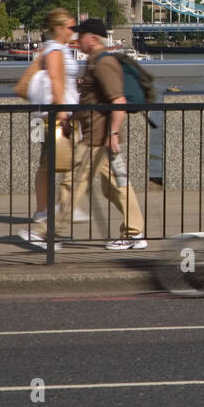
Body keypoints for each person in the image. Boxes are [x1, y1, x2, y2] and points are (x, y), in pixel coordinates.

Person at [60, 19, 149, 249]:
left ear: (92, 38)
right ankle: (134, 233)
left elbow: (118, 101)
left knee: (73, 182)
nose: (77, 40)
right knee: (116, 187)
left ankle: (48, 232)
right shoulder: (93, 62)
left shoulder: (103, 62)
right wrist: (72, 120)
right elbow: (91, 101)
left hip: (99, 139)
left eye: (81, 36)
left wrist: (113, 133)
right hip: (97, 136)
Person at [18, 8, 86, 249]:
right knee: (66, 162)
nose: (74, 31)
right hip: (56, 116)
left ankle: (48, 213)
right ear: (59, 28)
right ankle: (52, 216)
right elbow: (57, 83)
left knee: (50, 163)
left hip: (50, 114)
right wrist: (65, 114)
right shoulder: (55, 50)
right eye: (70, 27)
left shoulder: (56, 49)